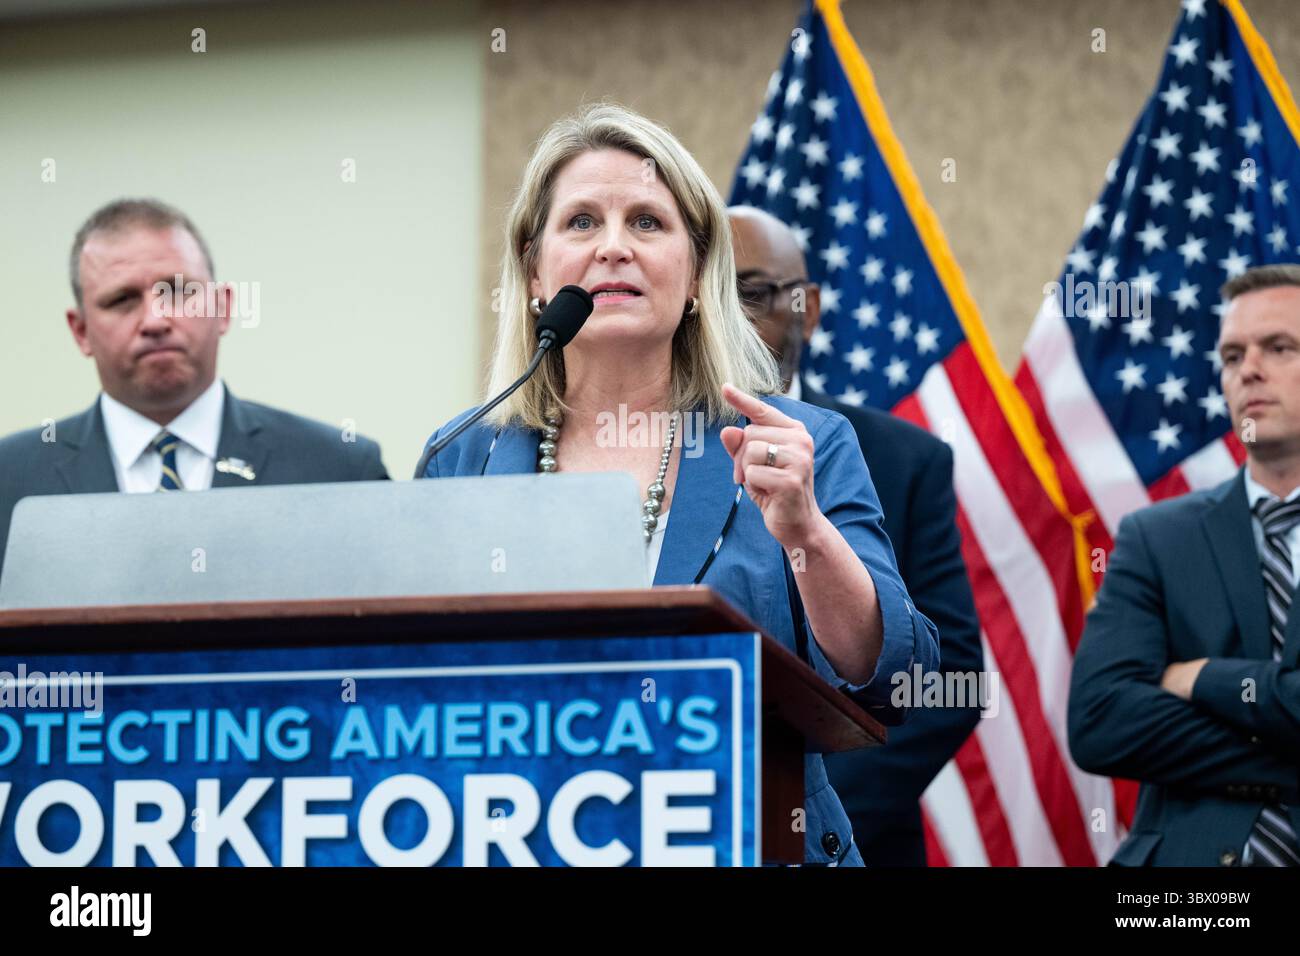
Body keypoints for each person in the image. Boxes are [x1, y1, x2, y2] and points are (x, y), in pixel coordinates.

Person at [419, 103, 939, 865]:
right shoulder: (463, 454)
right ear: (535, 271)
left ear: (696, 275)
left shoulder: (799, 443)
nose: (614, 249)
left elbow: (899, 680)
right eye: (582, 222)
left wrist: (808, 537)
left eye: (648, 223)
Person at [728, 205, 982, 866]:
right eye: (714, 293)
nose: (731, 314)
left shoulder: (901, 458)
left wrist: (806, 810)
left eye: (753, 292)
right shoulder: (648, 453)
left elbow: (948, 679)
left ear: (807, 307)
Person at [0, 199, 388, 580]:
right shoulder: (10, 481)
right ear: (80, 331)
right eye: (122, 300)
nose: (155, 320)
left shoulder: (340, 471)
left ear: (222, 308)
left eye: (178, 292)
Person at [1069, 264, 1300, 867]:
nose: (1247, 369)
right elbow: (1101, 722)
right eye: (1231, 355)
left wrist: (1199, 679)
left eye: (1279, 347)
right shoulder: (1157, 537)